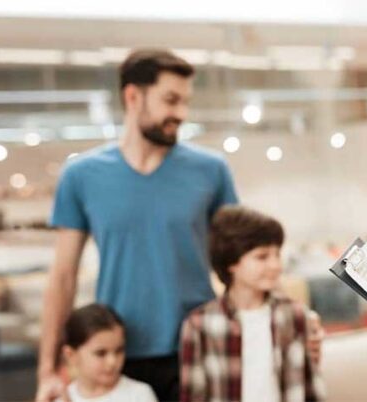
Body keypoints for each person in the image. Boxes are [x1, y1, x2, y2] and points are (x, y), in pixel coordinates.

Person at [36, 48, 322, 402]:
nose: (181, 114)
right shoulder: (81, 176)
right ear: (133, 96)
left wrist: (290, 321)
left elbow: (241, 258)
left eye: (186, 102)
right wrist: (48, 369)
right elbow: (63, 276)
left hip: (200, 345)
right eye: (171, 100)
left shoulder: (210, 170)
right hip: (118, 351)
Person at [179, 206, 325, 402]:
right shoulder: (198, 325)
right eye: (262, 256)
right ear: (231, 262)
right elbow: (192, 395)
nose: (275, 265)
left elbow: (311, 389)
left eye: (277, 254)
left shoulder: (296, 315)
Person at [58, 303, 157, 402]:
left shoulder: (139, 395)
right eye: (101, 353)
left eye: (119, 350)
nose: (112, 362)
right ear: (71, 355)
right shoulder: (62, 398)